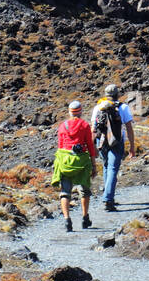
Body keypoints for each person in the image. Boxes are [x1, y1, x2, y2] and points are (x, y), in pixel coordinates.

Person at [52, 100, 97, 232]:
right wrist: (93, 165)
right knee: (84, 190)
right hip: (81, 161)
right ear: (81, 111)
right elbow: (90, 145)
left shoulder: (62, 126)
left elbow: (60, 146)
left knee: (65, 192)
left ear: (70, 112)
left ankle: (67, 220)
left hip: (65, 161)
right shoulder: (84, 125)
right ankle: (85, 218)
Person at [91, 84, 135, 212]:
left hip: (101, 140)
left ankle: (109, 196)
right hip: (116, 140)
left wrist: (93, 146)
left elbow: (93, 128)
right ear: (117, 94)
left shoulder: (98, 107)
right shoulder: (123, 107)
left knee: (106, 167)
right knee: (113, 168)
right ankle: (108, 199)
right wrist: (132, 146)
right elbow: (129, 128)